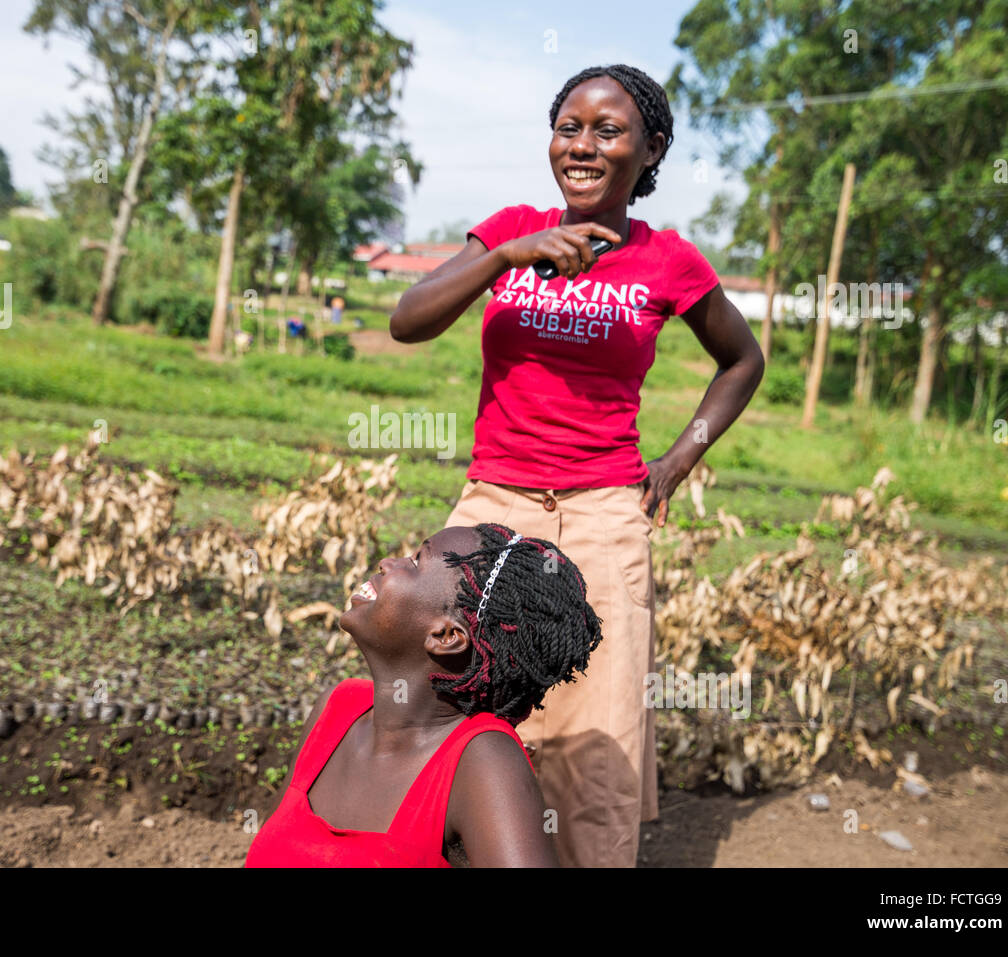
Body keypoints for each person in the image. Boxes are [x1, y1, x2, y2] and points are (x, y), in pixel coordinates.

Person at [388, 64, 765, 867]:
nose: (583, 145)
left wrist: (677, 459)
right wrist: (507, 256)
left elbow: (742, 360)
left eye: (608, 129)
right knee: (449, 694)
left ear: (650, 147)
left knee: (597, 735)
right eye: (569, 126)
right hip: (492, 508)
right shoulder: (509, 229)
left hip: (601, 513)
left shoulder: (669, 261)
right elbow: (407, 319)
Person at [245, 523, 603, 867]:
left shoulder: (483, 763)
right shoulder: (337, 708)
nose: (388, 563)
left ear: (446, 636)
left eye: (416, 562)